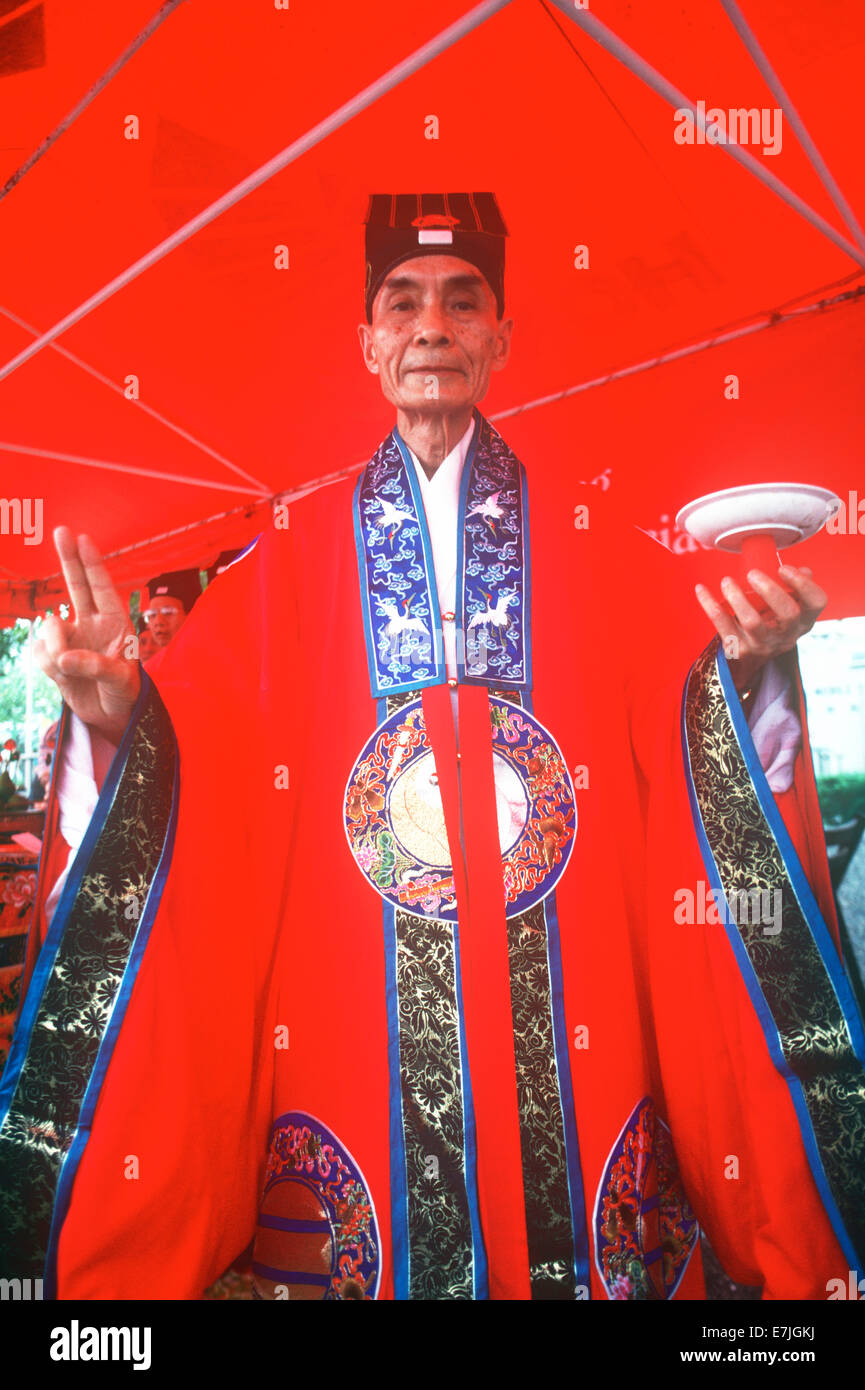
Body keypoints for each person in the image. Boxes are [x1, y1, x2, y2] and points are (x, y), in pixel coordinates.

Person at [1, 192, 862, 1301]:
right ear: (366, 343)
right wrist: (119, 712)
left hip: (577, 1020)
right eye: (401, 303)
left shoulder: (596, 548)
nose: (431, 328)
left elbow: (687, 724)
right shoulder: (287, 566)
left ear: (503, 337)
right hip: (347, 1018)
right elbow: (205, 753)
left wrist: (750, 670)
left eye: (463, 303)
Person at [140, 568, 201, 650]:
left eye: (168, 613)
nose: (158, 622)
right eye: (152, 615)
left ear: (190, 615)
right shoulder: (156, 662)